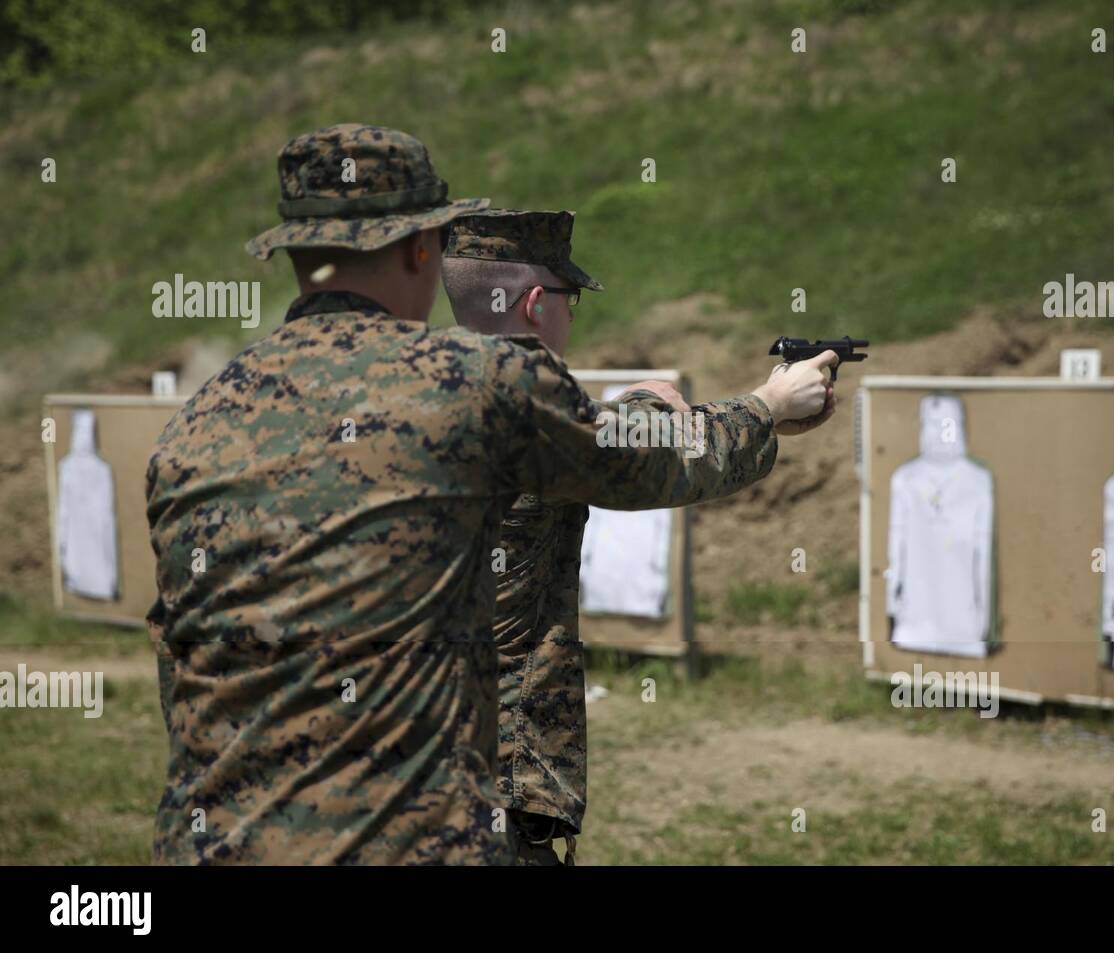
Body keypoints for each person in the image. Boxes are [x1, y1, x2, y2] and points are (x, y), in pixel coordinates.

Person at [145, 125, 838, 864]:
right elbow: (640, 463)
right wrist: (766, 408)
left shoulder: (197, 422)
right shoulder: (477, 382)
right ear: (422, 250)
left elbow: (177, 648)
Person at [442, 209, 837, 864]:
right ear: (538, 303)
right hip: (501, 781)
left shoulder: (421, 396)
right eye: (570, 302)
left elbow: (601, 438)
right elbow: (647, 459)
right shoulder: (523, 405)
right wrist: (769, 405)